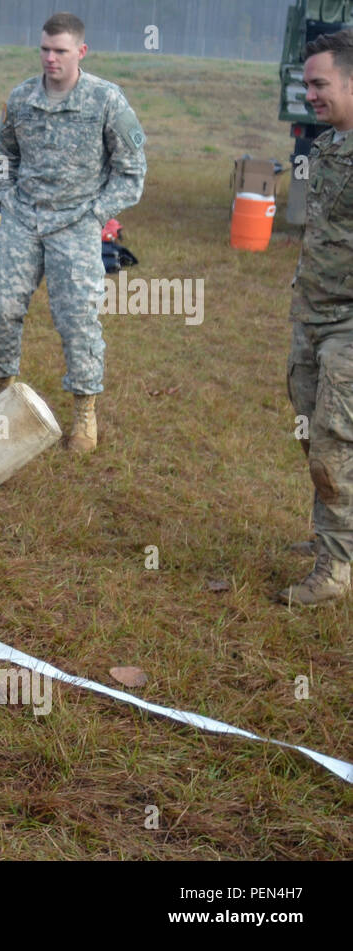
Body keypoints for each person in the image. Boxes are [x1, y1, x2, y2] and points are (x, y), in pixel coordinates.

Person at [0, 11, 146, 452]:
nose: (50, 59)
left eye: (60, 51)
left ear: (81, 52)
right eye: (45, 49)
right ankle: (0, 396)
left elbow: (132, 173)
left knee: (77, 318)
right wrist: (4, 196)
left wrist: (96, 213)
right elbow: (4, 154)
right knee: (0, 303)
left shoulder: (107, 101)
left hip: (75, 223)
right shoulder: (20, 99)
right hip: (23, 218)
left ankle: (84, 412)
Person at [277, 29, 353, 606]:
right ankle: (331, 534)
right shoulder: (328, 147)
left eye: (320, 84)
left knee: (332, 439)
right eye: (307, 85)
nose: (311, 95)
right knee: (311, 429)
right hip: (314, 315)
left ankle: (337, 567)